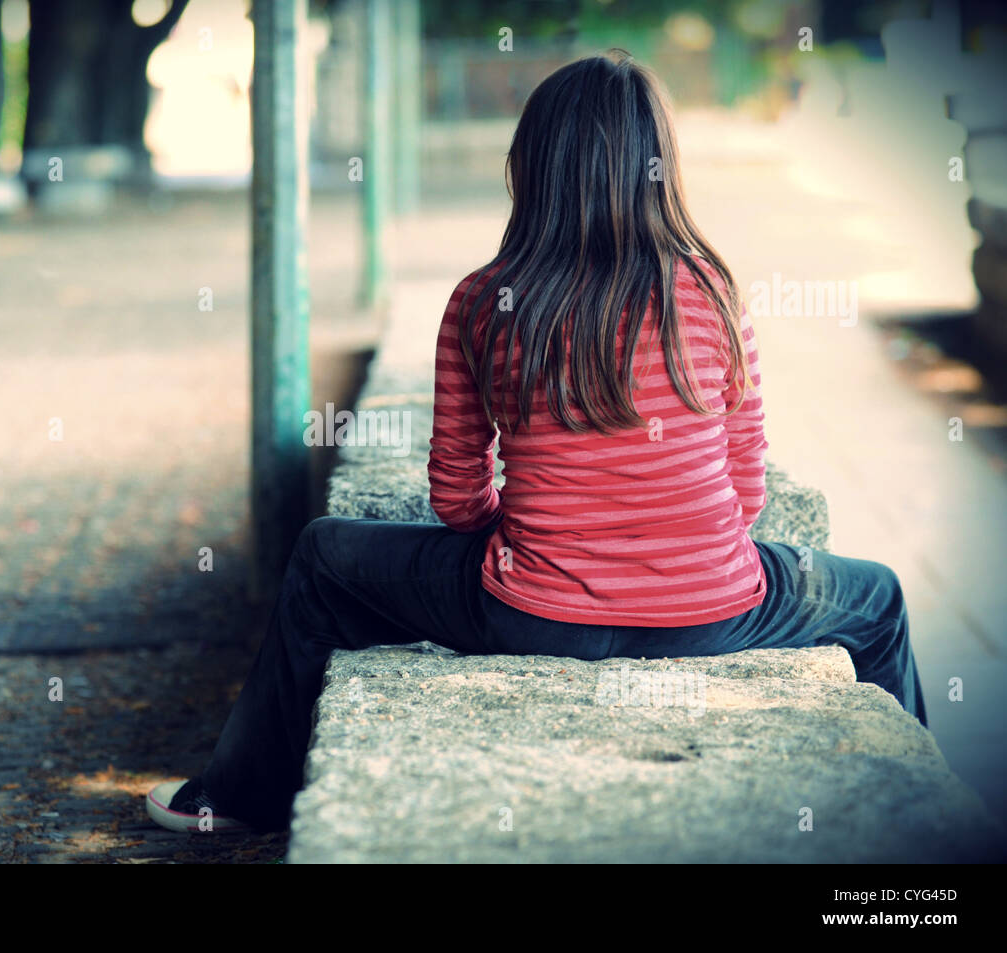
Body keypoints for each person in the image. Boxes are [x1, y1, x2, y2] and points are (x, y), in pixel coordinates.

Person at [146, 50, 927, 835]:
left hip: (530, 614)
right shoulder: (716, 291)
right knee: (880, 595)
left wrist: (547, 535)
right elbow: (748, 495)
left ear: (533, 166)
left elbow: (457, 502)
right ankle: (921, 827)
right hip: (712, 615)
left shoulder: (485, 301)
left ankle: (238, 797)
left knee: (322, 557)